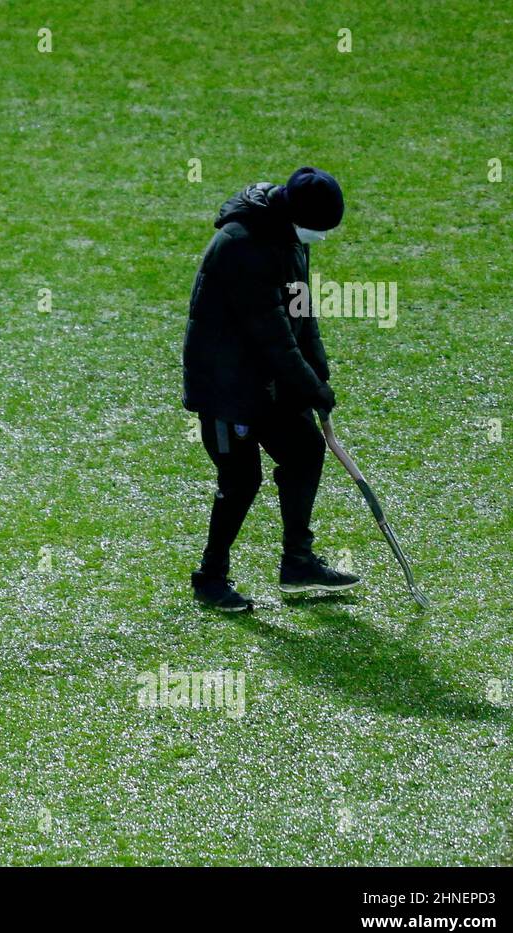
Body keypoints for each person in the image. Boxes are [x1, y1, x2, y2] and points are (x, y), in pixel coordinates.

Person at [183, 167, 361, 611]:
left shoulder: (291, 236)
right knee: (241, 481)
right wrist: (309, 387)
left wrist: (318, 374)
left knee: (305, 451)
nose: (320, 238)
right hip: (226, 385)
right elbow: (272, 335)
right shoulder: (242, 246)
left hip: (266, 378)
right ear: (297, 213)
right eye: (319, 229)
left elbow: (302, 311)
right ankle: (210, 577)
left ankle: (298, 563)